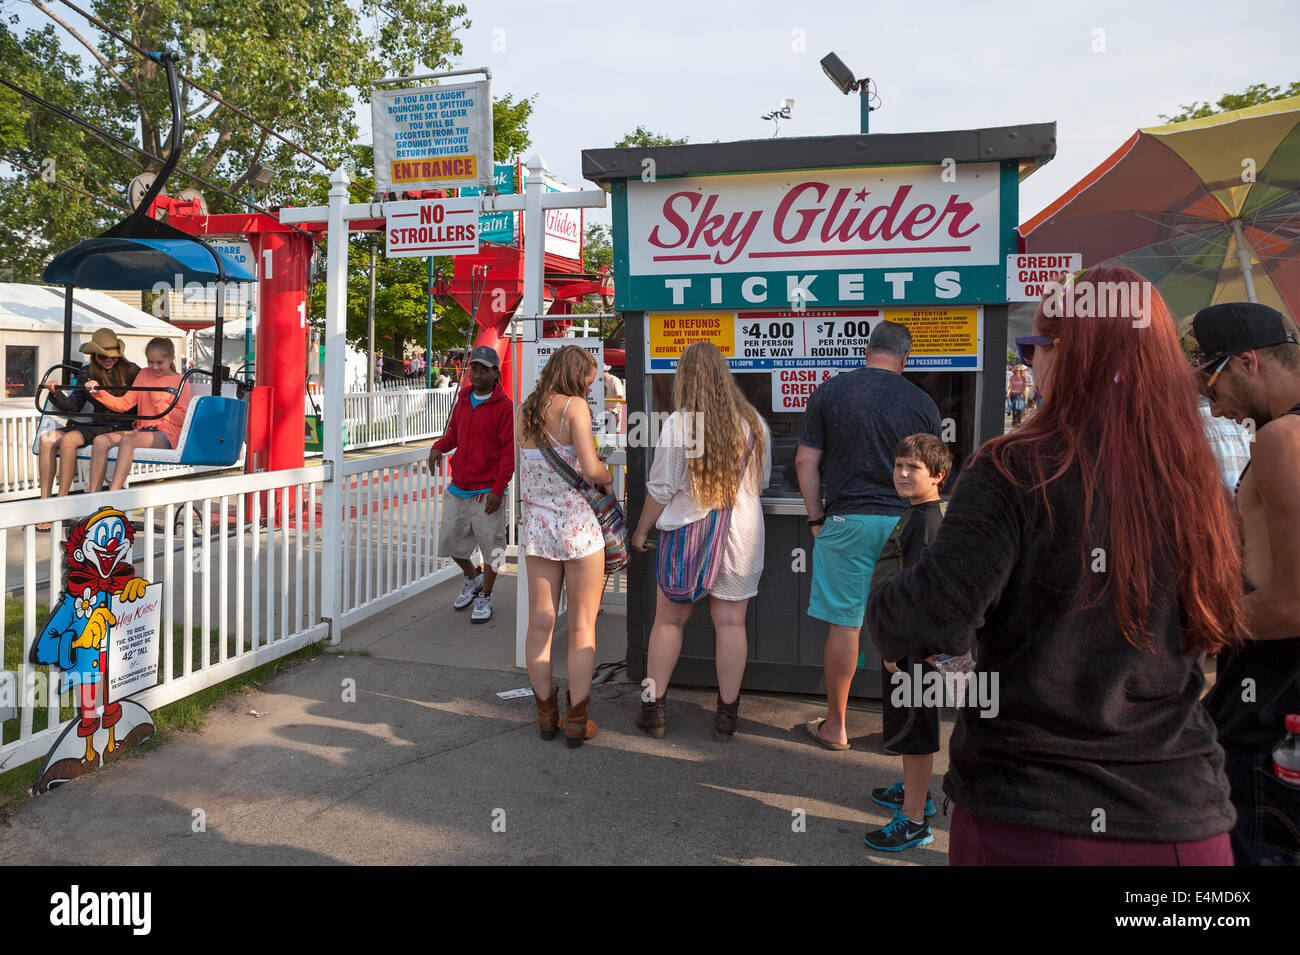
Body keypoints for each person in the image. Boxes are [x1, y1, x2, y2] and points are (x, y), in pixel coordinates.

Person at [866, 266, 1243, 865]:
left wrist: (883, 596)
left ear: (1074, 356)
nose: (1032, 363)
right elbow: (1222, 614)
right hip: (1181, 821)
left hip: (1031, 816)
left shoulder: (1013, 467)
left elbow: (927, 616)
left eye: (1035, 347)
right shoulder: (1196, 475)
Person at [795, 320, 941, 750]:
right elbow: (931, 471)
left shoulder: (831, 391)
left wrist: (816, 519)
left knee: (846, 625)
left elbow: (806, 463)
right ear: (904, 358)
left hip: (847, 523)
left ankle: (836, 727)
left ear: (868, 350)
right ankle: (904, 732)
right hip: (905, 525)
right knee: (906, 629)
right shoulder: (921, 401)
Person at [1191, 301, 1300, 866]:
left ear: (1249, 362)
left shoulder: (1284, 438)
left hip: (1273, 700)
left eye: (1212, 378)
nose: (1211, 400)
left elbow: (1297, 601)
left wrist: (1194, 623)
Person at [629, 341, 771, 741]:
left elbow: (661, 488)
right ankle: (727, 718)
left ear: (685, 378)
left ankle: (653, 711)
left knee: (669, 622)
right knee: (731, 624)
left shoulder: (681, 423)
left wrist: (640, 532)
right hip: (740, 535)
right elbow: (757, 484)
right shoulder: (753, 423)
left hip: (687, 537)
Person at [865, 433, 957, 852]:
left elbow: (920, 597)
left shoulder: (927, 523)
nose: (902, 473)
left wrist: (895, 649)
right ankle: (915, 791)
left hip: (915, 653)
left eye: (913, 468)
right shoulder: (916, 513)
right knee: (908, 729)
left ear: (938, 475)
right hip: (911, 650)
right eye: (899, 464)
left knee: (915, 731)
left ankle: (915, 820)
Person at [517, 344, 612, 747]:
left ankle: (544, 715)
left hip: (538, 528)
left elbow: (520, 467)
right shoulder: (575, 407)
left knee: (540, 624)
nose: (589, 389)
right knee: (581, 627)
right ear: (576, 377)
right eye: (588, 381)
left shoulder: (523, 410)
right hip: (578, 527)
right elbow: (591, 470)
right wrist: (608, 471)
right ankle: (577, 721)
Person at [427, 345, 515, 623]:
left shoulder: (504, 407)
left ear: (495, 373)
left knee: (495, 549)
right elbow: (453, 434)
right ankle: (473, 577)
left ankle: (485, 596)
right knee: (450, 542)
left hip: (488, 489)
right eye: (473, 368)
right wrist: (439, 446)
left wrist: (498, 489)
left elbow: (508, 452)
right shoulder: (463, 398)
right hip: (460, 485)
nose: (476, 374)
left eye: (482, 369)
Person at [35, 328, 139, 528]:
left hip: (118, 426)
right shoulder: (87, 372)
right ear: (94, 355)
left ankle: (61, 506)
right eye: (103, 356)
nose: (109, 360)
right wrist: (55, 394)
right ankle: (45, 506)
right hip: (95, 424)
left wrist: (138, 419)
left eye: (113, 356)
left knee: (69, 440)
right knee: (46, 440)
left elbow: (139, 399)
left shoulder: (131, 371)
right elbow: (74, 407)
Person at [87, 337, 191, 492]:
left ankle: (113, 493)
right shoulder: (143, 374)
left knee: (128, 440)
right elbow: (124, 404)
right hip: (143, 430)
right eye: (150, 362)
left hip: (168, 433)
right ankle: (93, 496)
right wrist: (99, 393)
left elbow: (184, 418)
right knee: (100, 441)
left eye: (159, 363)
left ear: (171, 359)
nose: (154, 367)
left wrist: (162, 405)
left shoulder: (181, 380)